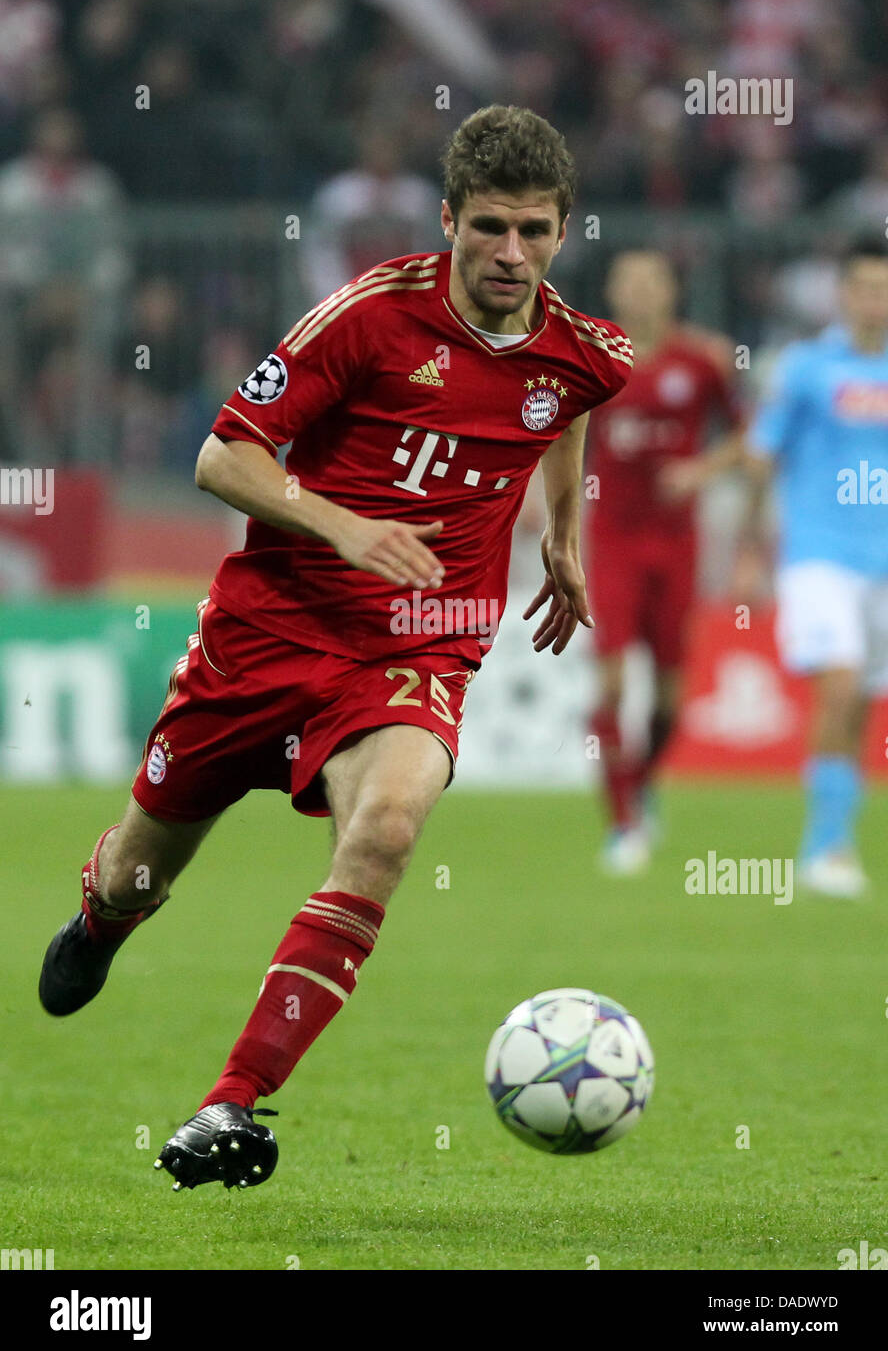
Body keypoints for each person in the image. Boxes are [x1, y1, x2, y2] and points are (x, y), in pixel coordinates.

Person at [38, 105, 633, 1191]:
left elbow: (566, 402)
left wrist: (568, 538)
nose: (512, 254)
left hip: (419, 644)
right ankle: (103, 914)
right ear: (448, 219)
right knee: (138, 866)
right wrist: (347, 525)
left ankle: (231, 1100)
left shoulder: (583, 351)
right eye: (490, 228)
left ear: (562, 231)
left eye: (536, 232)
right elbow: (225, 458)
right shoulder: (366, 318)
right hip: (267, 632)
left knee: (391, 823)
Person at [585, 250, 746, 873]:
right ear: (614, 291)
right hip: (613, 542)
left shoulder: (702, 361)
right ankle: (622, 824)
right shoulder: (594, 361)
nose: (641, 293)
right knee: (612, 683)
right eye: (630, 282)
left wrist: (700, 469)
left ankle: (644, 781)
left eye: (653, 282)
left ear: (672, 291)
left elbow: (744, 436)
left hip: (677, 544)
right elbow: (558, 436)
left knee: (671, 698)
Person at [742, 239, 888, 898]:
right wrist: (748, 543)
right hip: (819, 555)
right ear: (842, 292)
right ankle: (826, 843)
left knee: (859, 701)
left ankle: (838, 833)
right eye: (862, 285)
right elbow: (763, 452)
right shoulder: (805, 367)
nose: (874, 299)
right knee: (839, 682)